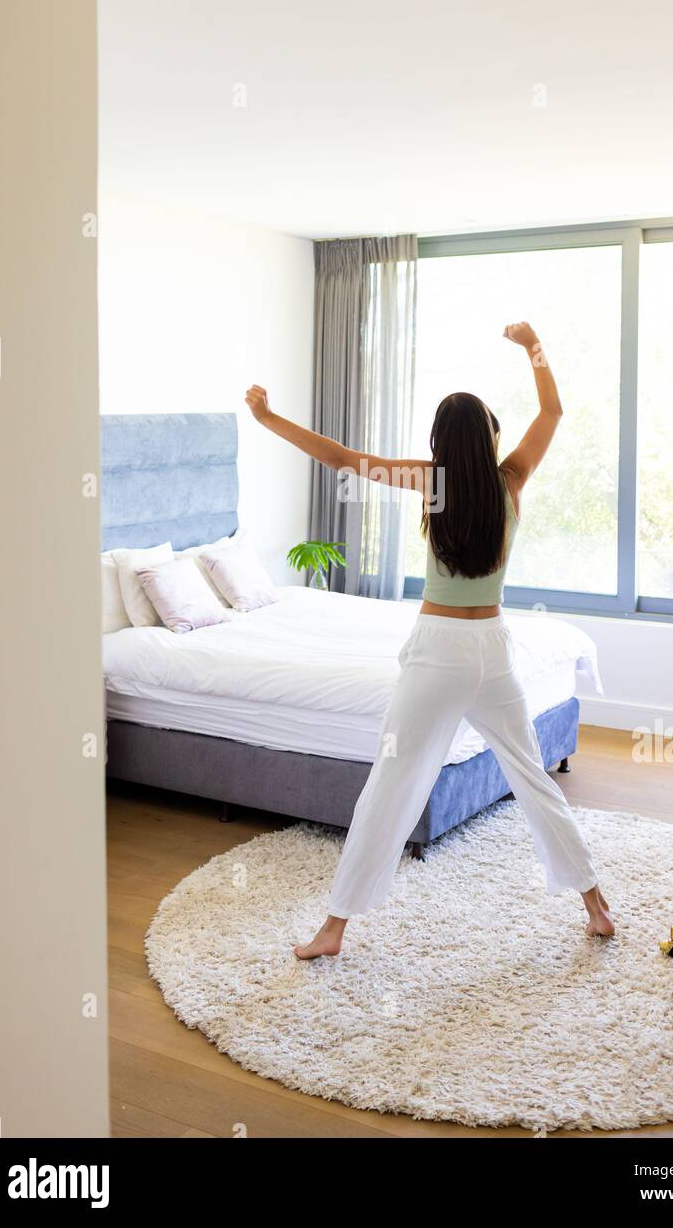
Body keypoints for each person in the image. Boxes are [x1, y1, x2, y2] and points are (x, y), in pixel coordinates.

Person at [245, 320, 614, 958]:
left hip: (438, 651)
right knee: (532, 775)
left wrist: (268, 418)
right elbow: (553, 408)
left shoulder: (431, 481)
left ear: (441, 443)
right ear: (491, 438)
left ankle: (334, 929)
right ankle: (596, 907)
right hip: (494, 651)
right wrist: (532, 344)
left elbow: (338, 458)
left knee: (392, 780)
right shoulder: (512, 480)